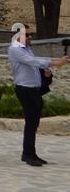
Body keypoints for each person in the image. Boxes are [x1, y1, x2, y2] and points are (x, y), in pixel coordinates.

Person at [8, 22, 67, 166]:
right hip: (25, 89)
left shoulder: (26, 48)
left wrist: (46, 71)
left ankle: (31, 153)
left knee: (33, 123)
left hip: (33, 90)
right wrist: (55, 62)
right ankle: (27, 154)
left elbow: (33, 65)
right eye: (26, 34)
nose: (30, 37)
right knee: (31, 123)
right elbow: (33, 61)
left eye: (30, 34)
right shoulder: (15, 49)